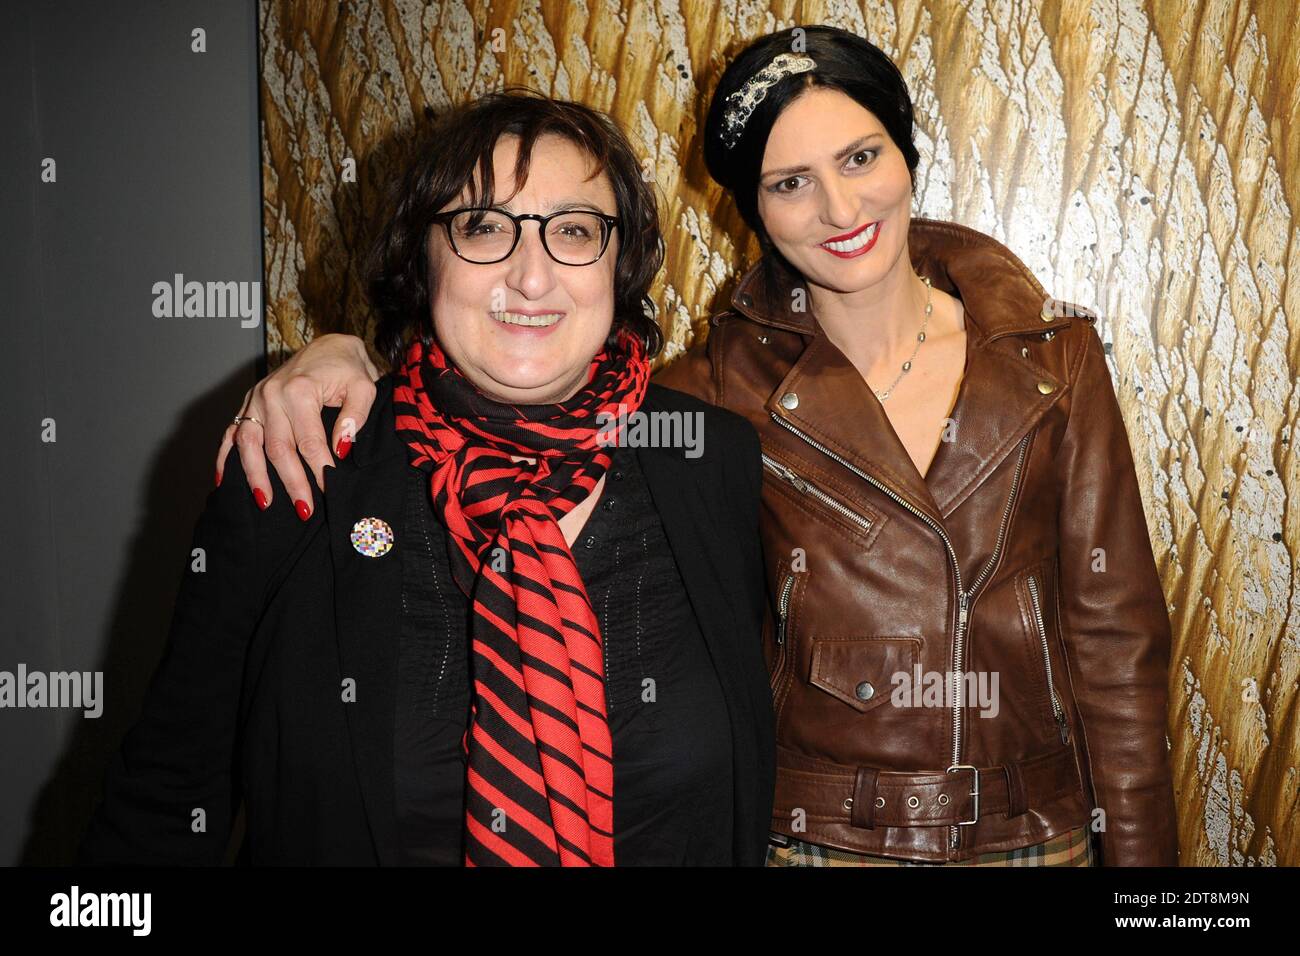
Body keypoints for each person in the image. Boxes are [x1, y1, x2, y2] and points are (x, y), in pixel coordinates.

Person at [217, 27, 1179, 867]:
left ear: (907, 152)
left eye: (861, 157)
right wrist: (351, 358)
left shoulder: (1052, 361)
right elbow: (515, 377)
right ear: (751, 210)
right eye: (790, 183)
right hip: (813, 839)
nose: (840, 211)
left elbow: (1117, 643)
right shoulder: (706, 401)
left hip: (1036, 830)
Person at [80, 90, 775, 866]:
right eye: (483, 227)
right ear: (423, 256)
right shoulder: (299, 461)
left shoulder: (710, 463)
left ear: (623, 261)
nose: (532, 276)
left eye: (574, 230)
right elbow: (164, 804)